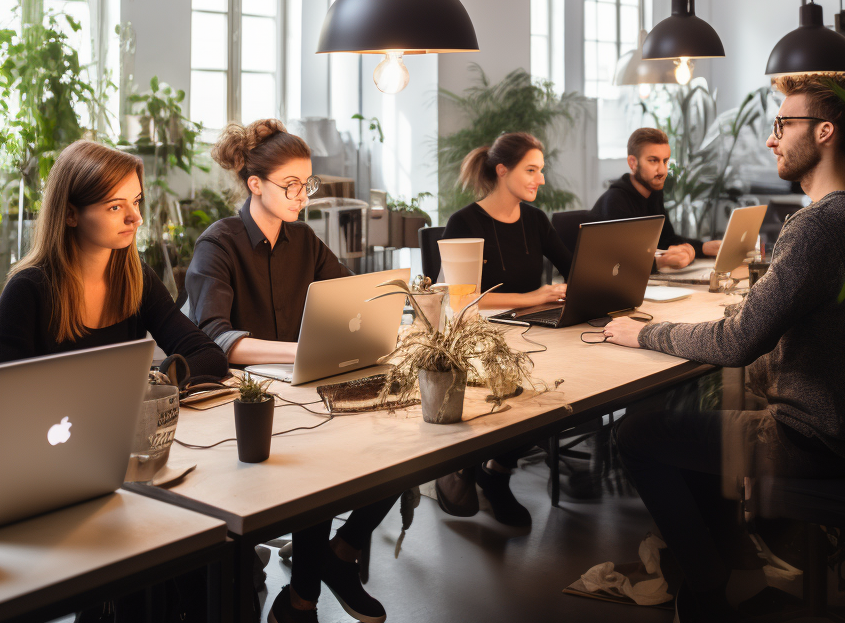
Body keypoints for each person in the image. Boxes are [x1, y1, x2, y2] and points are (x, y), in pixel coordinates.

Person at [602, 74, 845, 622]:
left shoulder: (816, 227)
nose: (771, 138)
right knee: (698, 418)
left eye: (783, 124)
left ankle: (707, 588)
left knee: (638, 432)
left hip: (810, 442)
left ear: (825, 131)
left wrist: (643, 332)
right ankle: (739, 572)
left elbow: (736, 343)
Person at [187, 120, 396, 623]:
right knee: (316, 470)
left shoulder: (304, 242)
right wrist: (299, 351)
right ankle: (305, 594)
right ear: (255, 184)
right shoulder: (218, 245)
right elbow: (216, 339)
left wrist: (390, 311)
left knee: (400, 453)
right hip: (246, 406)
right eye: (291, 185)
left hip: (306, 388)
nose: (302, 195)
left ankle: (337, 556)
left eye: (308, 184)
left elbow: (357, 301)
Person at [0, 139, 227, 380]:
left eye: (136, 201)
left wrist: (159, 380)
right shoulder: (27, 290)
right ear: (70, 214)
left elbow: (209, 356)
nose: (136, 218)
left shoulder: (137, 277)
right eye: (115, 207)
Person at [440, 132, 572, 526]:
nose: (540, 179)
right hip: (478, 339)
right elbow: (460, 298)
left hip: (528, 333)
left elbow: (573, 267)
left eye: (541, 170)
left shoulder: (535, 220)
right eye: (531, 170)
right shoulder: (463, 222)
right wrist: (533, 297)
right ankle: (487, 471)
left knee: (562, 392)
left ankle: (495, 470)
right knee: (535, 389)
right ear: (503, 171)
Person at [589, 128, 720, 269]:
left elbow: (666, 240)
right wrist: (662, 262)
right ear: (633, 163)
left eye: (665, 161)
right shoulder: (615, 201)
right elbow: (619, 263)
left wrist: (704, 248)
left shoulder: (653, 193)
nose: (663, 171)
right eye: (653, 161)